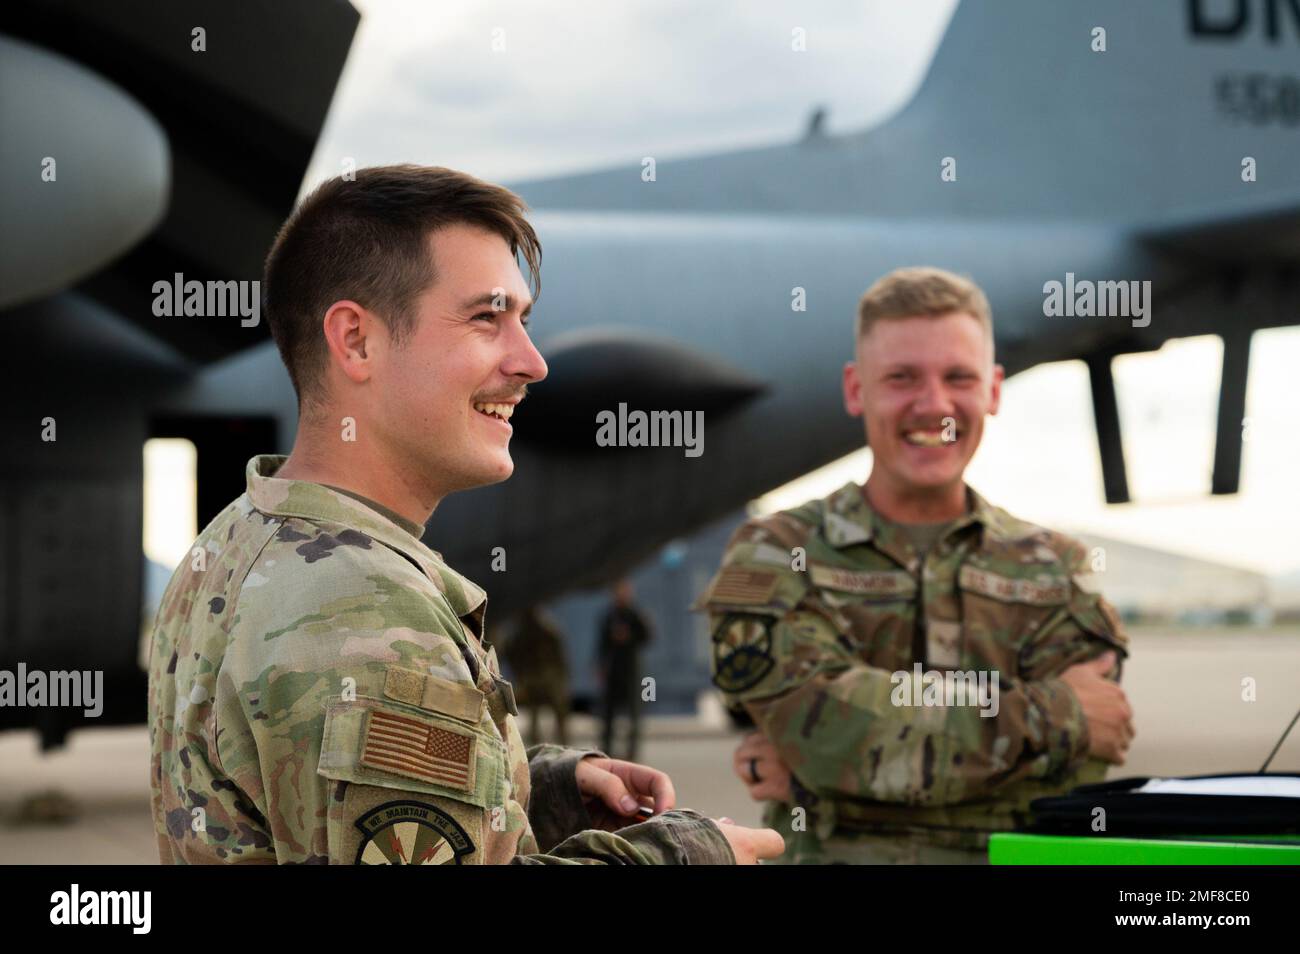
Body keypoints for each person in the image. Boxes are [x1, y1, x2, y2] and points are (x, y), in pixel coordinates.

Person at [147, 164, 782, 865]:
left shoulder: (239, 540)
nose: (533, 362)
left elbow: (307, 808)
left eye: (524, 320)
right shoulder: (362, 609)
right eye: (488, 318)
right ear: (356, 340)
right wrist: (687, 853)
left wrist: (543, 789)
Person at [696, 266, 1134, 864]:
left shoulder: (1056, 567)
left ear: (994, 390)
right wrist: (1054, 714)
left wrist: (835, 770)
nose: (935, 406)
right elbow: (824, 734)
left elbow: (1094, 748)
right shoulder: (778, 552)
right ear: (856, 389)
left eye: (959, 377)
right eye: (902, 378)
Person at [597, 579, 653, 761]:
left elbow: (648, 637)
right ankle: (605, 752)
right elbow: (602, 644)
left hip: (632, 672)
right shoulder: (609, 615)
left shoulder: (635, 614)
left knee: (634, 716)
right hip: (614, 671)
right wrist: (600, 666)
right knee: (608, 717)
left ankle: (632, 755)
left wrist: (629, 636)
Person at [505, 607, 571, 747]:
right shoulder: (525, 633)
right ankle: (544, 747)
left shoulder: (546, 631)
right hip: (537, 679)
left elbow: (560, 658)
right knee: (537, 714)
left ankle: (559, 745)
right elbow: (510, 653)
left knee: (555, 712)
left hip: (544, 678)